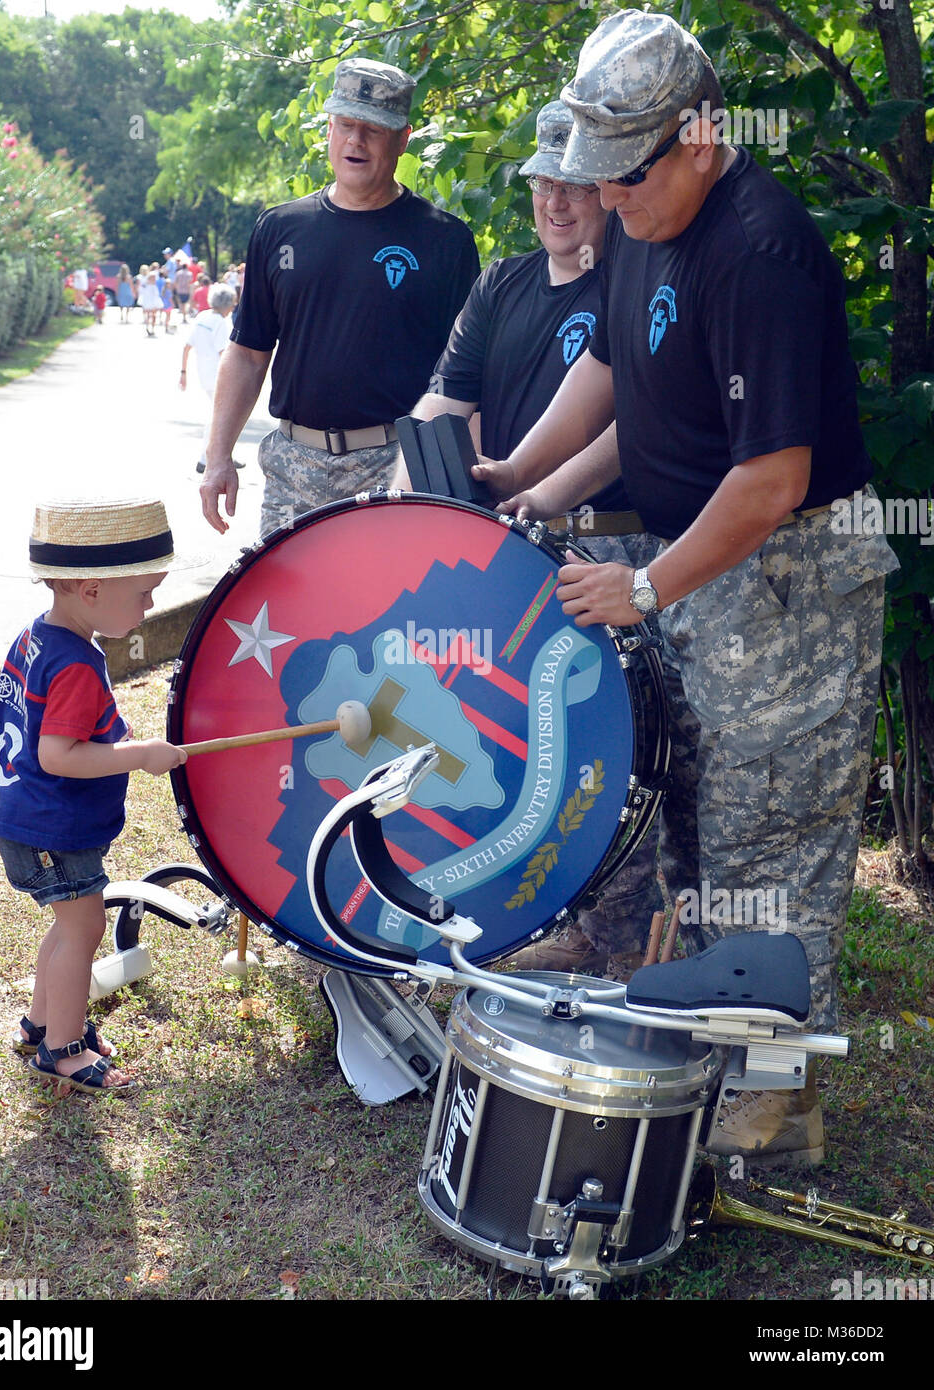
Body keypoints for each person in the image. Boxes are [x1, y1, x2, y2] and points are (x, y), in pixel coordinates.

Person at [480, 9, 898, 1163]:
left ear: (701, 136)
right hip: (685, 562)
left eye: (626, 177)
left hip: (784, 581)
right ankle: (665, 997)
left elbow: (769, 479)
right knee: (664, 788)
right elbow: (615, 375)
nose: (604, 201)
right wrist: (524, 477)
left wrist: (644, 589)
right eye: (596, 176)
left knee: (771, 839)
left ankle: (773, 1094)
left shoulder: (758, 248)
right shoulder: (639, 212)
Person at [393, 100, 665, 973]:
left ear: (605, 188)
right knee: (526, 745)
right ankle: (568, 926)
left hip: (616, 548)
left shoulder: (632, 278)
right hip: (510, 549)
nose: (555, 198)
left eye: (574, 181)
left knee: (615, 750)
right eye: (543, 180)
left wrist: (534, 492)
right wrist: (397, 504)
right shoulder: (501, 283)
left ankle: (630, 953)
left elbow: (628, 414)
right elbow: (444, 400)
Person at [200, 55, 480, 539]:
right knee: (286, 612)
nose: (356, 140)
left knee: (390, 613)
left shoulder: (445, 240)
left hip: (398, 471)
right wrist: (218, 457)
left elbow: (468, 378)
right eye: (346, 124)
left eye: (373, 129)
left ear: (403, 138)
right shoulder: (280, 228)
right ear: (329, 129)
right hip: (294, 467)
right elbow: (247, 353)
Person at [0, 498, 191, 1095]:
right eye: (145, 591)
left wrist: (117, 737)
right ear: (89, 588)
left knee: (70, 924)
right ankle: (64, 1051)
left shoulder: (39, 635)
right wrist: (139, 754)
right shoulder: (76, 661)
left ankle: (42, 1023)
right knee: (84, 928)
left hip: (26, 815)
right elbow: (58, 755)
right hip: (52, 824)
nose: (151, 605)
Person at [179, 282, 238, 474]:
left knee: (218, 416)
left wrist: (183, 373)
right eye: (232, 303)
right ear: (226, 304)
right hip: (217, 376)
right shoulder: (221, 323)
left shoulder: (202, 317)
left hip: (204, 374)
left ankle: (223, 454)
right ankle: (205, 459)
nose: (233, 307)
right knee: (218, 418)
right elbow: (224, 353)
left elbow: (187, 347)